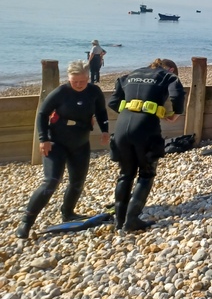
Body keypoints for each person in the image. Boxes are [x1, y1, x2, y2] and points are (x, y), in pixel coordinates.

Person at [16, 61, 110, 239]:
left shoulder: (94, 92)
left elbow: (101, 111)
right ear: (69, 78)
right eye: (75, 82)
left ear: (88, 78)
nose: (79, 85)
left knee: (77, 182)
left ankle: (68, 213)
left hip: (81, 144)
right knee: (51, 181)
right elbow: (43, 114)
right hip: (56, 143)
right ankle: (26, 222)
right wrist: (43, 139)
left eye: (82, 81)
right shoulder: (60, 93)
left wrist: (105, 130)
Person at [108, 58, 185, 231]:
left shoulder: (130, 75)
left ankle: (119, 222)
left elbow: (113, 102)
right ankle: (132, 219)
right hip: (145, 127)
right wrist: (175, 114)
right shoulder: (168, 76)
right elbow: (178, 94)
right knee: (146, 173)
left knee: (125, 174)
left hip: (121, 127)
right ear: (171, 69)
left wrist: (130, 113)